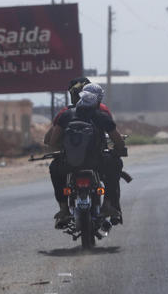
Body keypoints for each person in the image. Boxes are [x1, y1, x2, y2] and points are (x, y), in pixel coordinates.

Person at [45, 78, 127, 228]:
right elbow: (118, 141)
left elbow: (51, 142)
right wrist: (119, 150)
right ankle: (108, 204)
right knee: (116, 164)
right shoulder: (102, 115)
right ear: (98, 100)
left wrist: (62, 148)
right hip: (97, 163)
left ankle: (63, 209)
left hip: (70, 163)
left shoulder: (66, 114)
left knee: (54, 168)